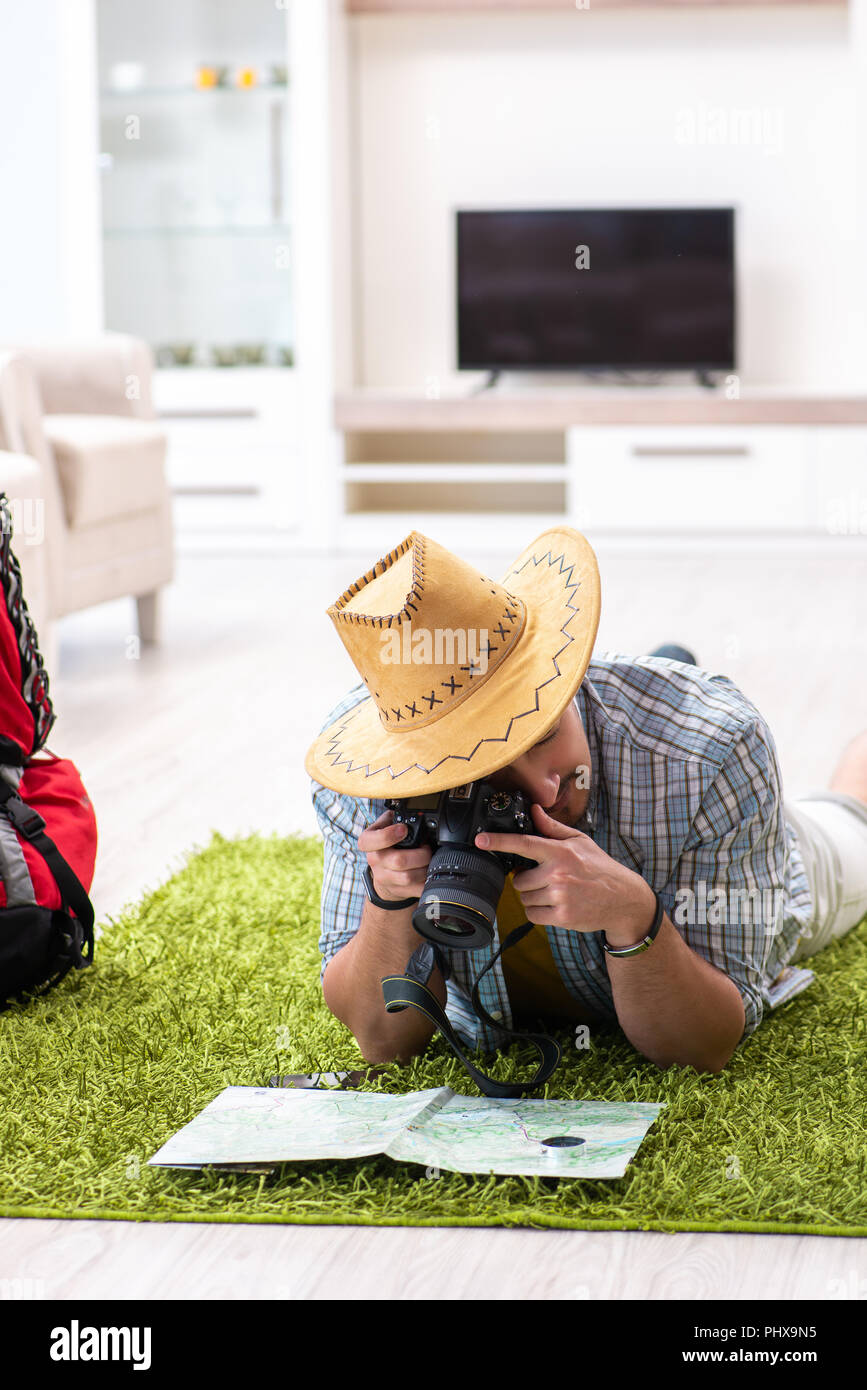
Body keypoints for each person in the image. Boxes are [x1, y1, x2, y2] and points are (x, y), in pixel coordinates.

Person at [305, 527, 867, 1077]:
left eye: (543, 733)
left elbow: (703, 1049)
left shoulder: (711, 748)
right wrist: (389, 902)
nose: (548, 791)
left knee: (851, 816)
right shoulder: (378, 780)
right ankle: (652, 667)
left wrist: (635, 917)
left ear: (570, 686)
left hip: (776, 856)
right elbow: (382, 1041)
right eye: (485, 776)